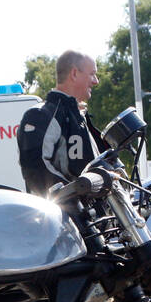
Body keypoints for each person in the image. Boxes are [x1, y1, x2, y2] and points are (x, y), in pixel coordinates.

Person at [17, 50, 101, 196]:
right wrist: (79, 200)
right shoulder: (40, 115)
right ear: (74, 74)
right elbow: (36, 170)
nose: (96, 81)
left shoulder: (77, 114)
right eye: (92, 74)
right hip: (60, 216)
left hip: (91, 215)